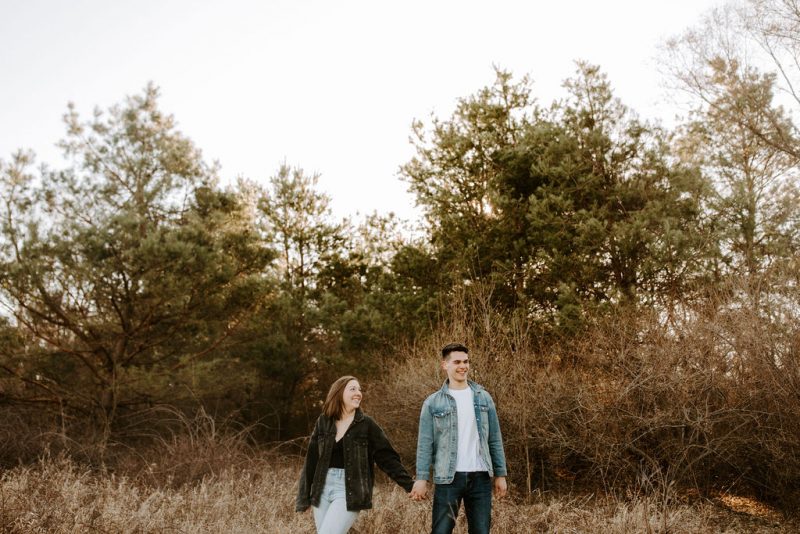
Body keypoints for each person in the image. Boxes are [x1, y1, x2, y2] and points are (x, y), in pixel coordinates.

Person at [410, 343, 508, 534]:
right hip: (448, 478)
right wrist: (421, 478)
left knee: (481, 531)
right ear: (444, 365)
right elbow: (424, 444)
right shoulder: (432, 402)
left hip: (480, 477)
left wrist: (500, 474)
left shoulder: (483, 397)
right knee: (441, 531)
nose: (463, 366)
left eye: (466, 361)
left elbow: (495, 438)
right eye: (457, 362)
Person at [296, 375, 413, 534]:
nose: (358, 393)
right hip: (320, 489)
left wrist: (410, 485)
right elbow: (311, 460)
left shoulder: (367, 425)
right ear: (339, 393)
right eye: (353, 389)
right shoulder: (324, 422)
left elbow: (387, 458)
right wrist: (304, 497)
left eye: (360, 389)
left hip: (348, 489)